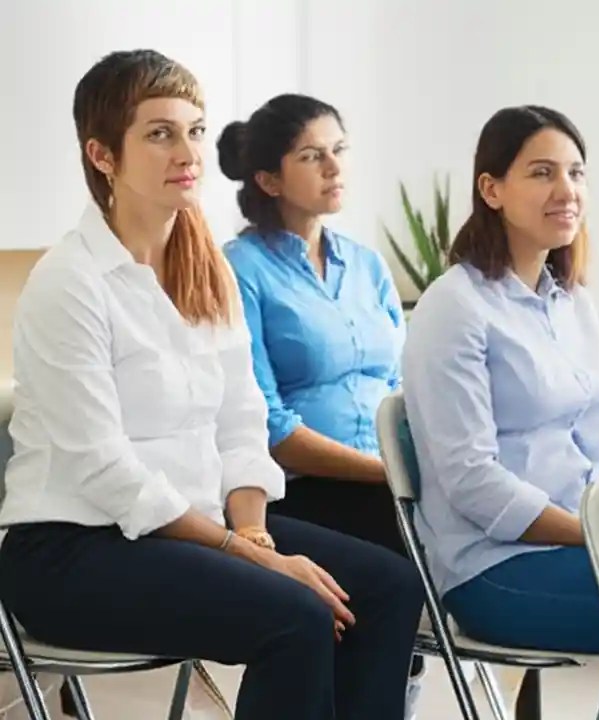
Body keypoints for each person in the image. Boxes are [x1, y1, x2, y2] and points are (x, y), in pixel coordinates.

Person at [0, 50, 422, 720]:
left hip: (195, 530)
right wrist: (245, 554)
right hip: (73, 549)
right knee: (293, 614)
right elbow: (105, 469)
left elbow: (242, 419)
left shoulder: (208, 271)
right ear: (102, 155)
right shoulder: (69, 283)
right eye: (159, 133)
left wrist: (253, 534)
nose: (186, 149)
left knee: (390, 587)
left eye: (195, 130)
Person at [217, 92, 425, 716]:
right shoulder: (240, 270)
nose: (334, 167)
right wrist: (384, 473)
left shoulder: (365, 265)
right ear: (268, 178)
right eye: (313, 155)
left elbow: (401, 385)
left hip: (379, 482)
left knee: (431, 526)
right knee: (400, 548)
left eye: (339, 150)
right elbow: (269, 426)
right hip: (295, 488)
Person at [401, 105, 599, 655]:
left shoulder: (573, 303)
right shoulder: (454, 306)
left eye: (576, 173)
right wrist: (595, 534)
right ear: (491, 189)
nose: (566, 189)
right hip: (496, 567)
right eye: (543, 172)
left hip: (584, 545)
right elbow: (471, 478)